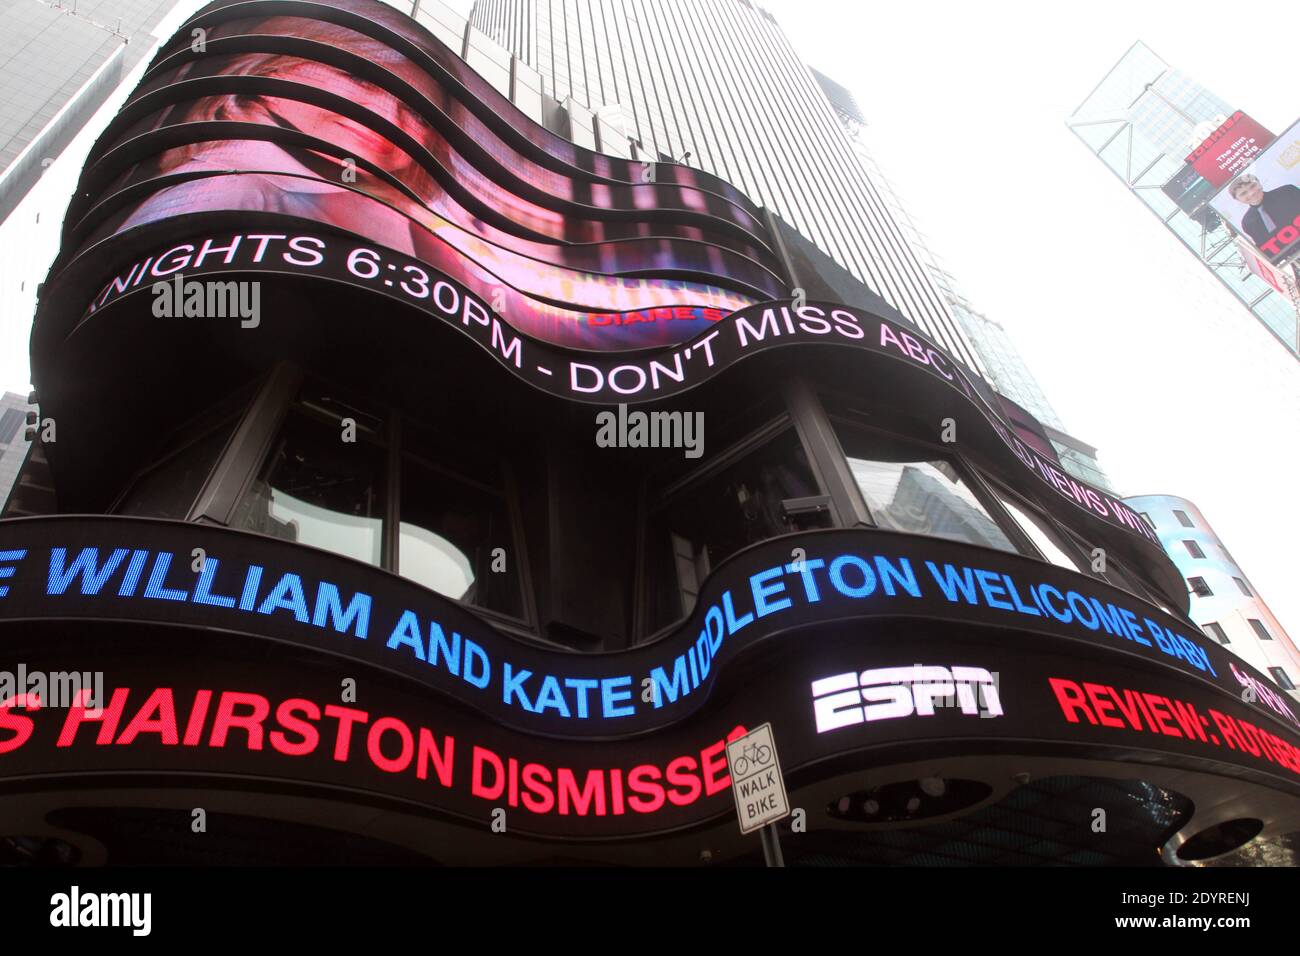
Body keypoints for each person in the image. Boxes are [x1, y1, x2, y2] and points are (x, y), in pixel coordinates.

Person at [1228, 174, 1300, 251]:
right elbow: (1268, 250)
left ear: (1259, 183)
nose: (1251, 193)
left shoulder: (1287, 192)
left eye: (1252, 186)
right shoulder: (1247, 223)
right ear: (1237, 199)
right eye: (1243, 193)